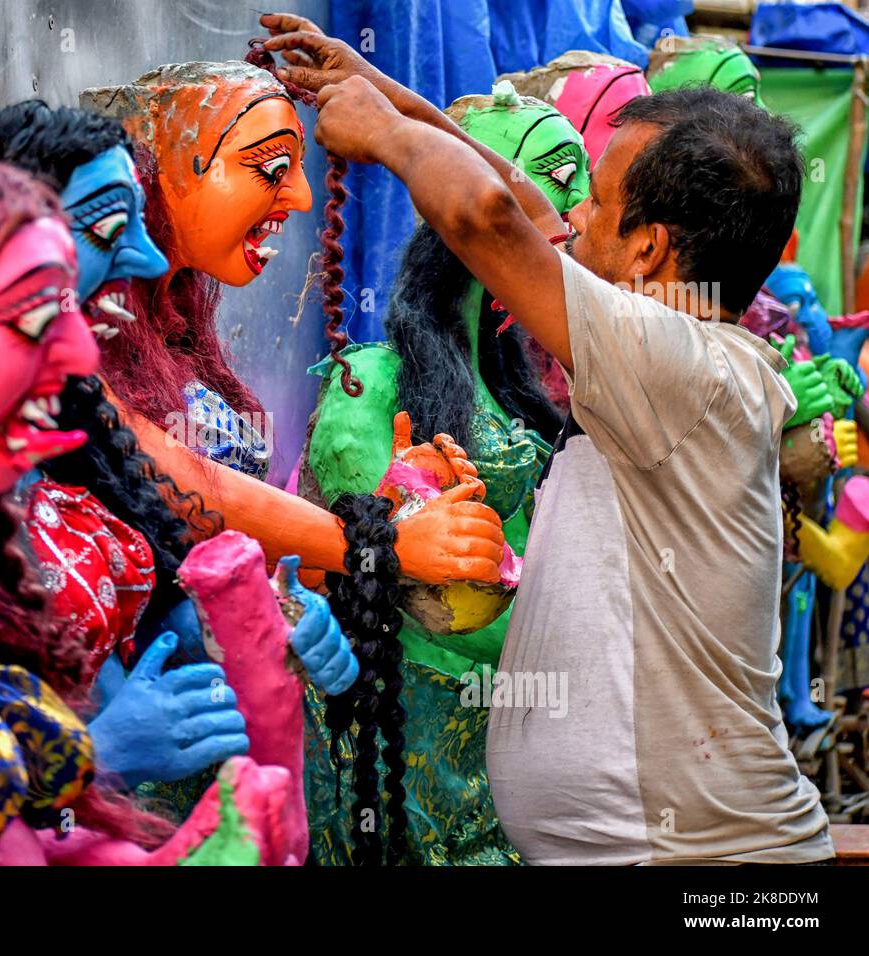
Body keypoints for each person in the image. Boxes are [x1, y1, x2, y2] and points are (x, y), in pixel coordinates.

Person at [263, 13, 834, 863]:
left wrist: (382, 136)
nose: (569, 215)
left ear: (648, 247)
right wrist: (379, 85)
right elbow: (521, 202)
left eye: (596, 202)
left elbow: (493, 219)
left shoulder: (679, 366)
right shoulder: (683, 339)